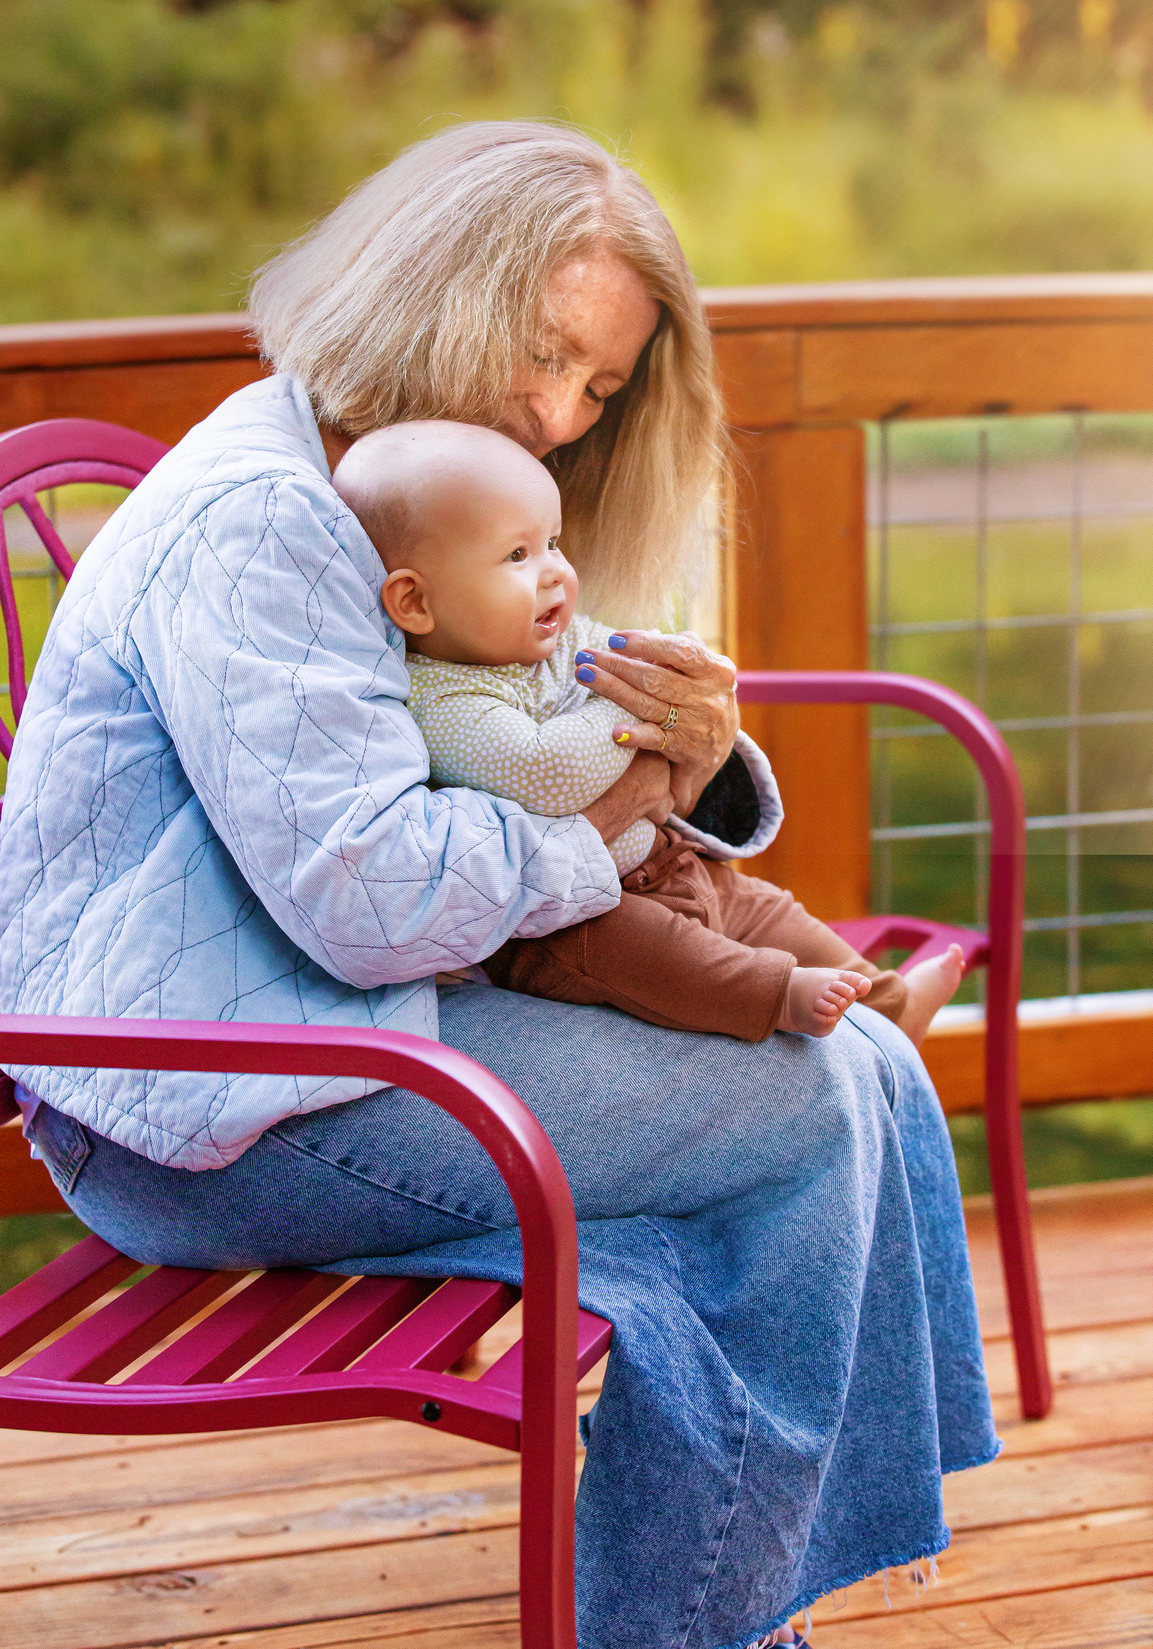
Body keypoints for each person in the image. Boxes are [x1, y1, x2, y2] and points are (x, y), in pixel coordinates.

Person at [0, 121, 998, 1649]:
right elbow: (377, 902)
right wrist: (614, 818)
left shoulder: (420, 485)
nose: (559, 411)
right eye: (543, 354)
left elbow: (533, 763)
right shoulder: (267, 521)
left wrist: (694, 745)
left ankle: (721, 1595)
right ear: (433, 290)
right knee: (806, 1105)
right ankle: (701, 1623)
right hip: (220, 1099)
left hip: (367, 1023)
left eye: (599, 386)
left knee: (847, 1063)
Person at [332, 418, 966, 1043]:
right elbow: (549, 773)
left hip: (661, 860)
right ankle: (779, 996)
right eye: (517, 555)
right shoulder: (444, 697)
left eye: (554, 542)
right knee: (653, 955)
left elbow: (639, 665)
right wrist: (636, 707)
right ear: (415, 602)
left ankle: (891, 1005)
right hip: (571, 919)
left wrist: (669, 680)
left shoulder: (548, 642)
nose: (555, 572)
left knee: (763, 906)